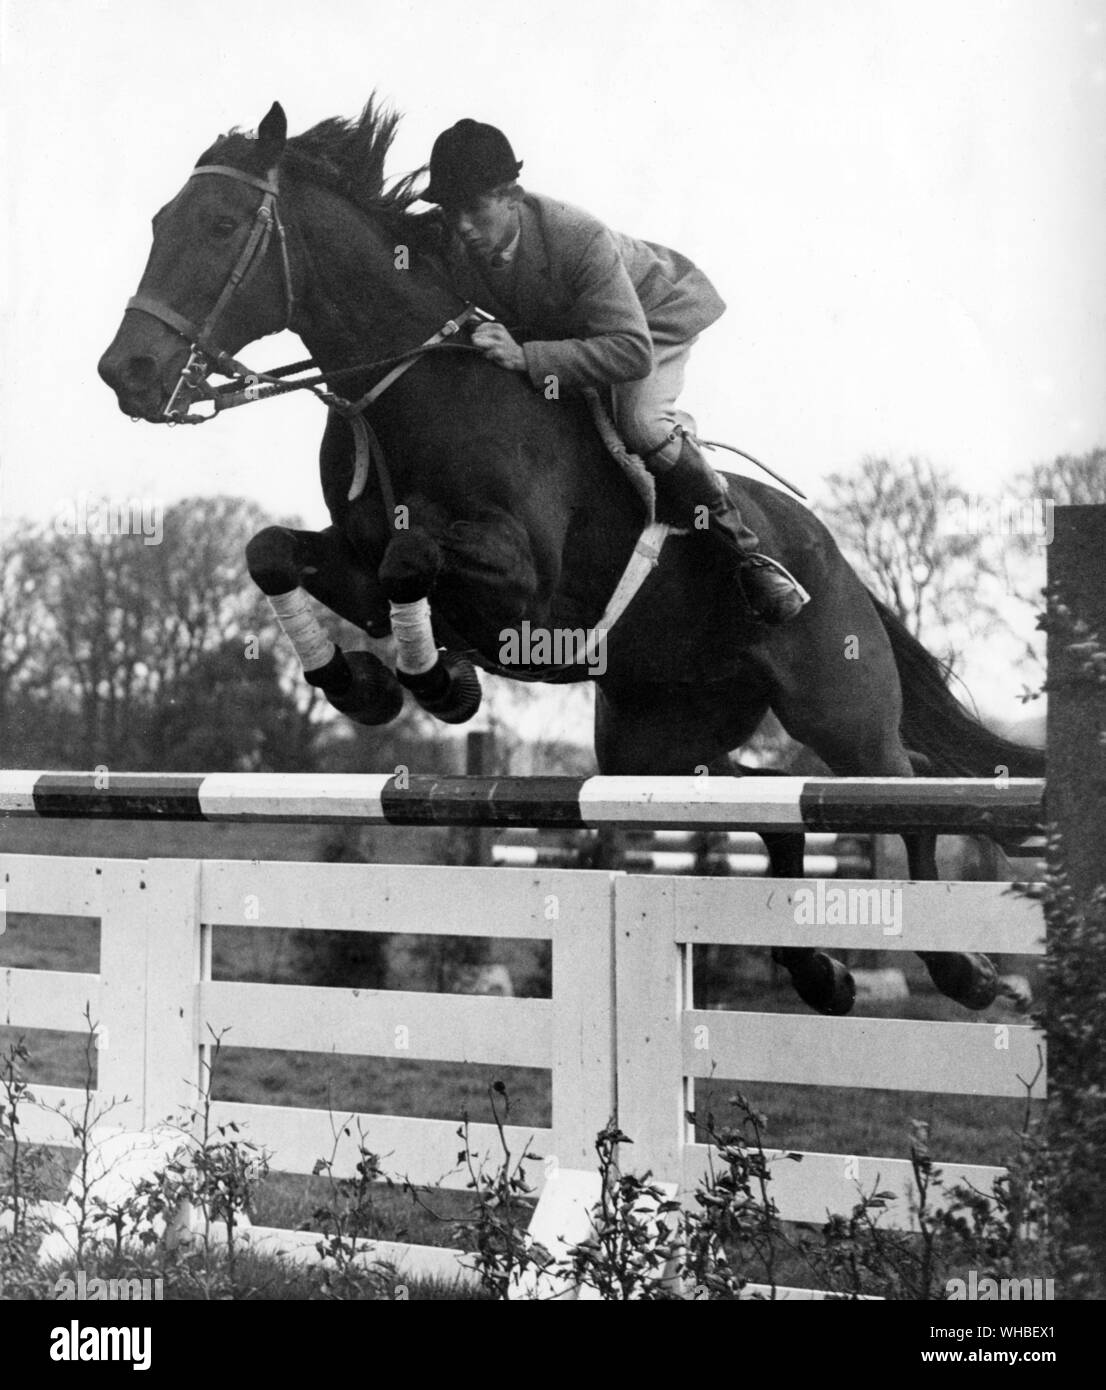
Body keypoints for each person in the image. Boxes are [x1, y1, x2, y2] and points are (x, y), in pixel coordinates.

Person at [423, 119, 809, 623]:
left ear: (513, 195)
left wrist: (527, 357)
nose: (463, 227)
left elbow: (630, 351)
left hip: (653, 320)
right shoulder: (453, 240)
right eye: (451, 212)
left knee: (640, 424)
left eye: (475, 209)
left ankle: (745, 551)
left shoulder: (576, 237)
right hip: (583, 332)